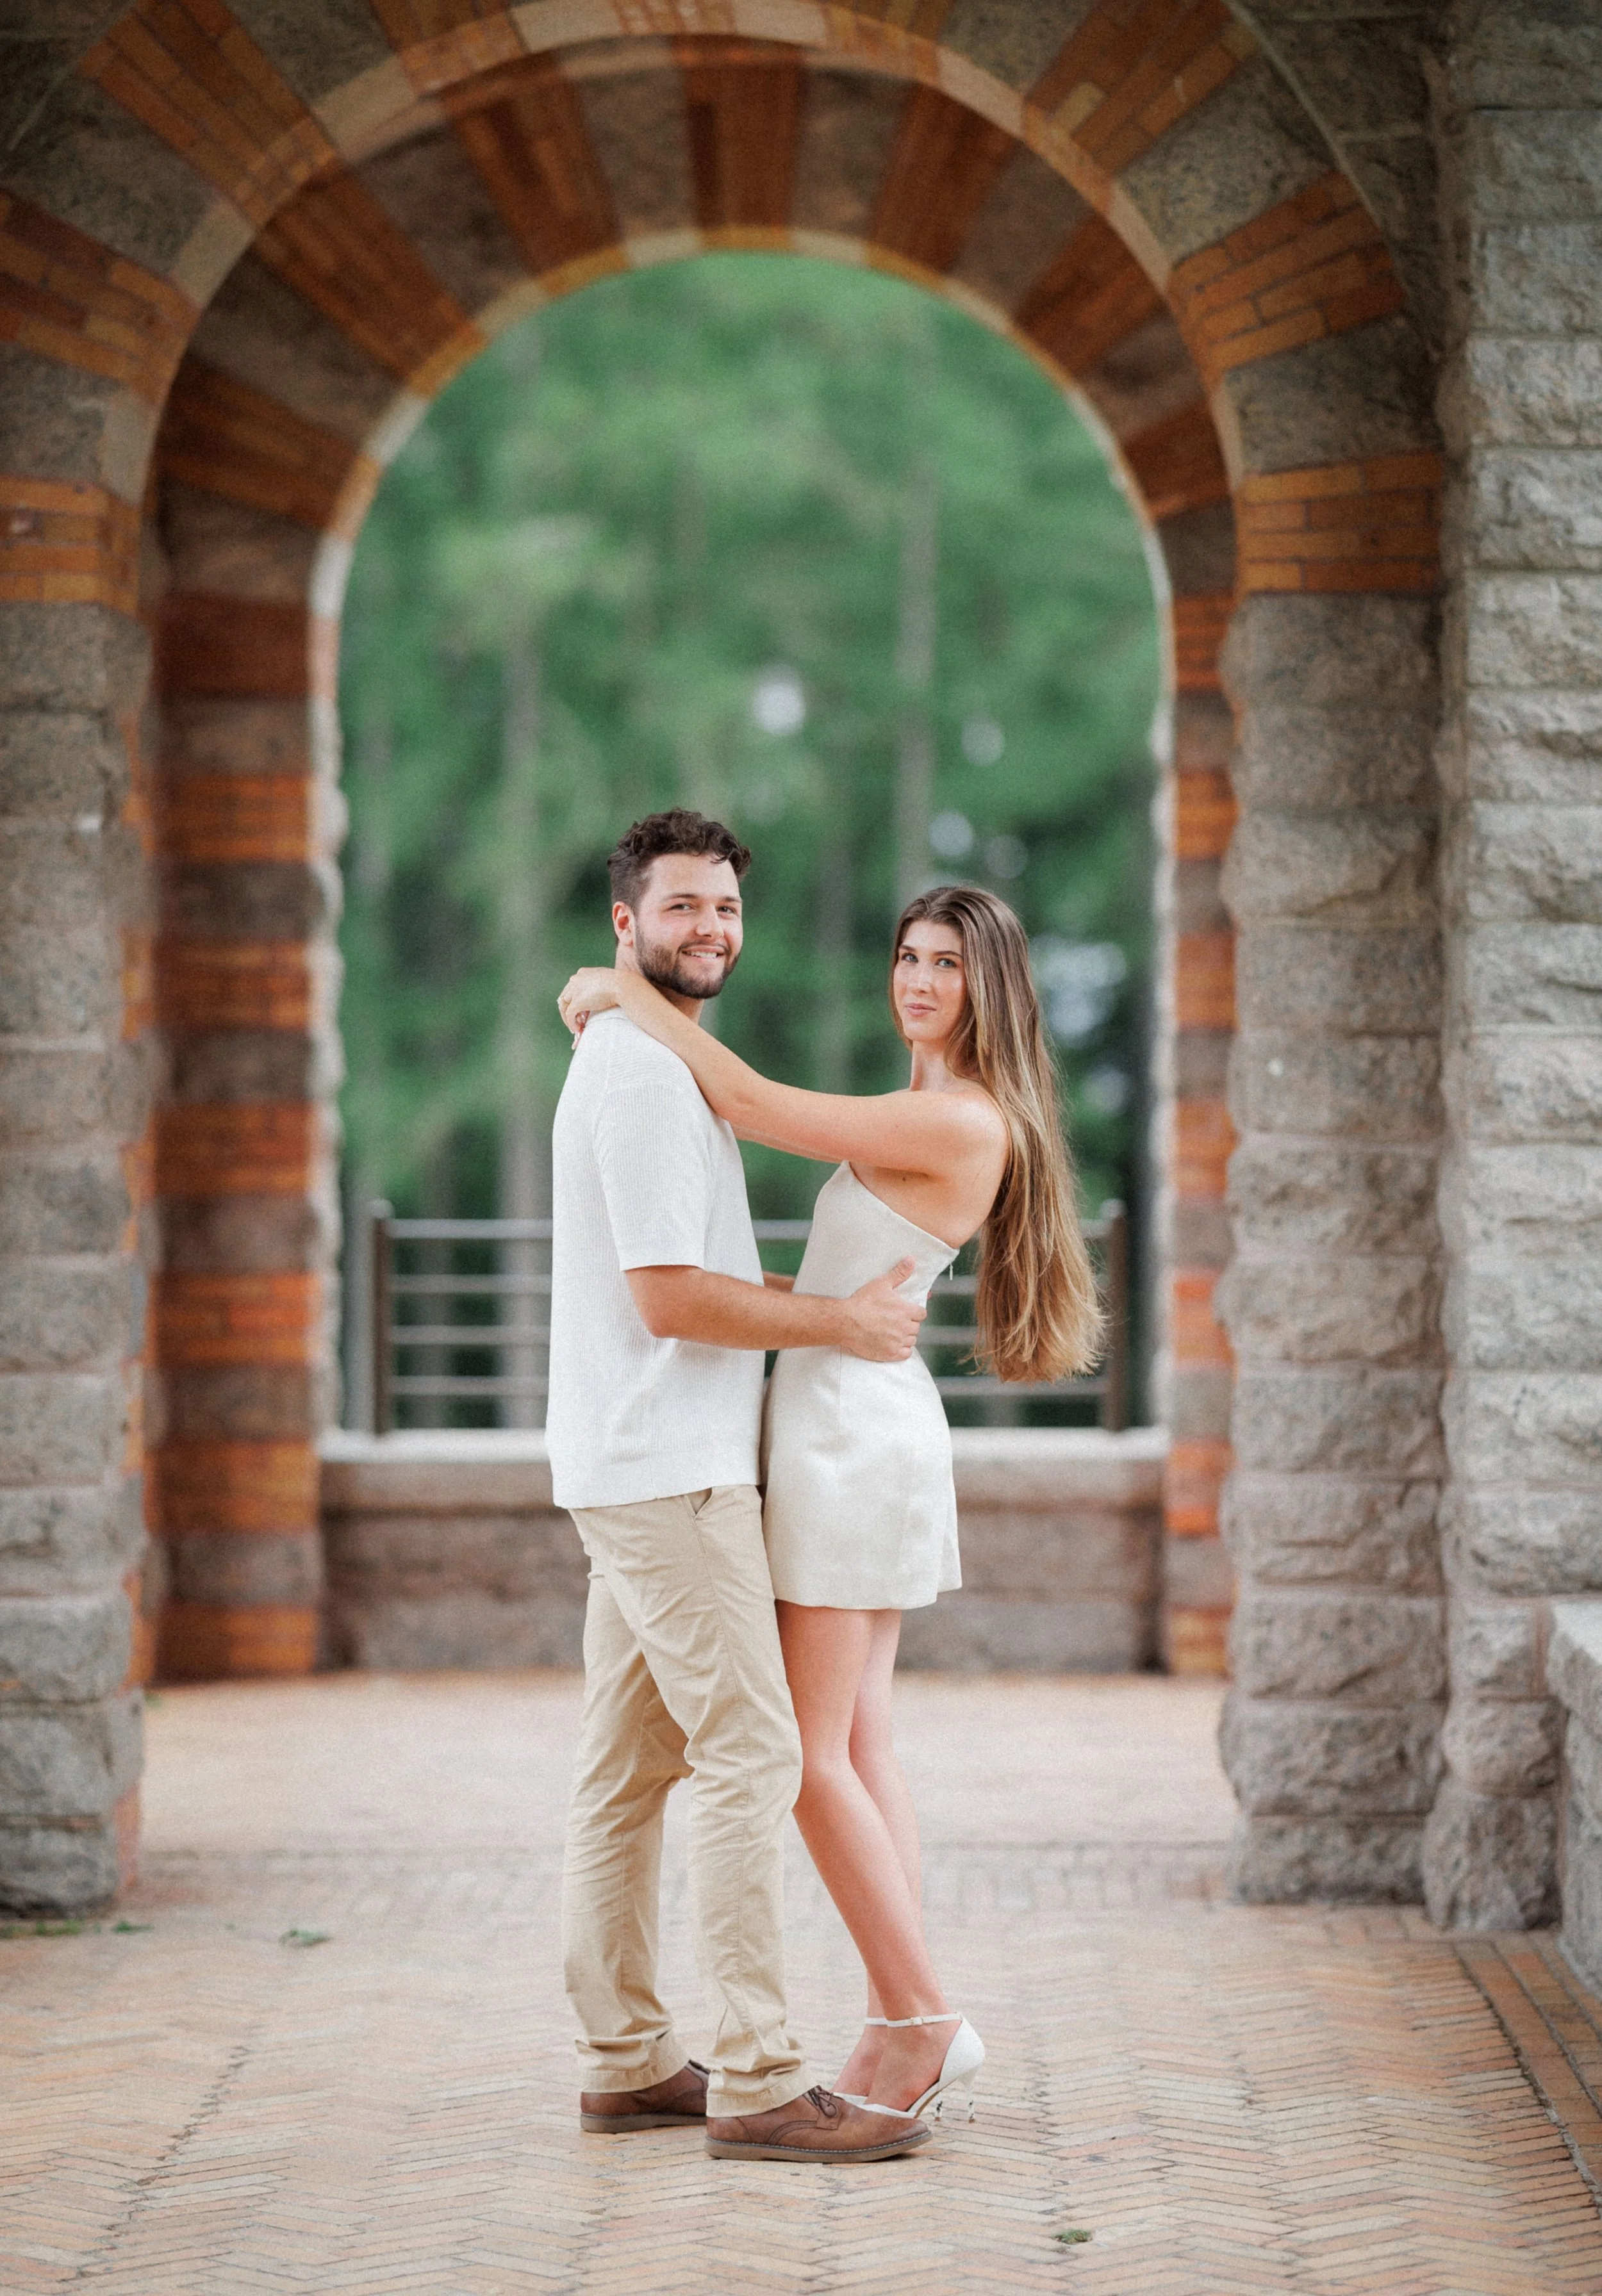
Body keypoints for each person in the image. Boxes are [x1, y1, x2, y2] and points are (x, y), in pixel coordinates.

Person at [559, 878, 1103, 2126]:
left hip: (848, 1432)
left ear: (992, 990)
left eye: (946, 966)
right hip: (847, 1417)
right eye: (906, 954)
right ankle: (895, 2019)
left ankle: (920, 2019)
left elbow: (747, 1105)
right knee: (857, 1746)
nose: (915, 981)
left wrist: (620, 990)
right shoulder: (927, 1105)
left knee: (803, 1757)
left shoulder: (966, 1122)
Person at [548, 807, 932, 2165]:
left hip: (631, 1457)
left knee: (628, 1766)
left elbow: (689, 1266)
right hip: (670, 1471)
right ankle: (762, 2078)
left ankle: (626, 2057)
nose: (708, 927)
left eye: (722, 907)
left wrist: (813, 1299)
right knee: (754, 1752)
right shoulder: (647, 1074)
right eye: (680, 907)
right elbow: (664, 1300)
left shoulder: (646, 1054)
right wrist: (838, 1327)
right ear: (623, 923)